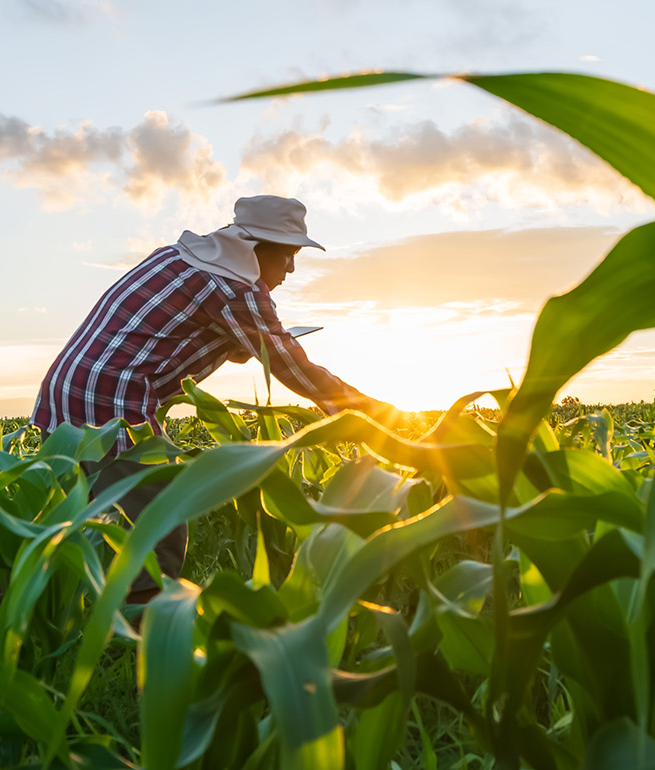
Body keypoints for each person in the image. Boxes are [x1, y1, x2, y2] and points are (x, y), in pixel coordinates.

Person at [31, 195, 388, 600]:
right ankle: (144, 626)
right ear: (256, 247)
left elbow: (171, 335)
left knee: (53, 523)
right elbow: (293, 367)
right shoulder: (236, 287)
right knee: (159, 524)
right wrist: (370, 414)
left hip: (68, 390)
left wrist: (239, 343)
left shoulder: (181, 258)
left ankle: (11, 611)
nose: (290, 267)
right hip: (111, 403)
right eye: (288, 254)